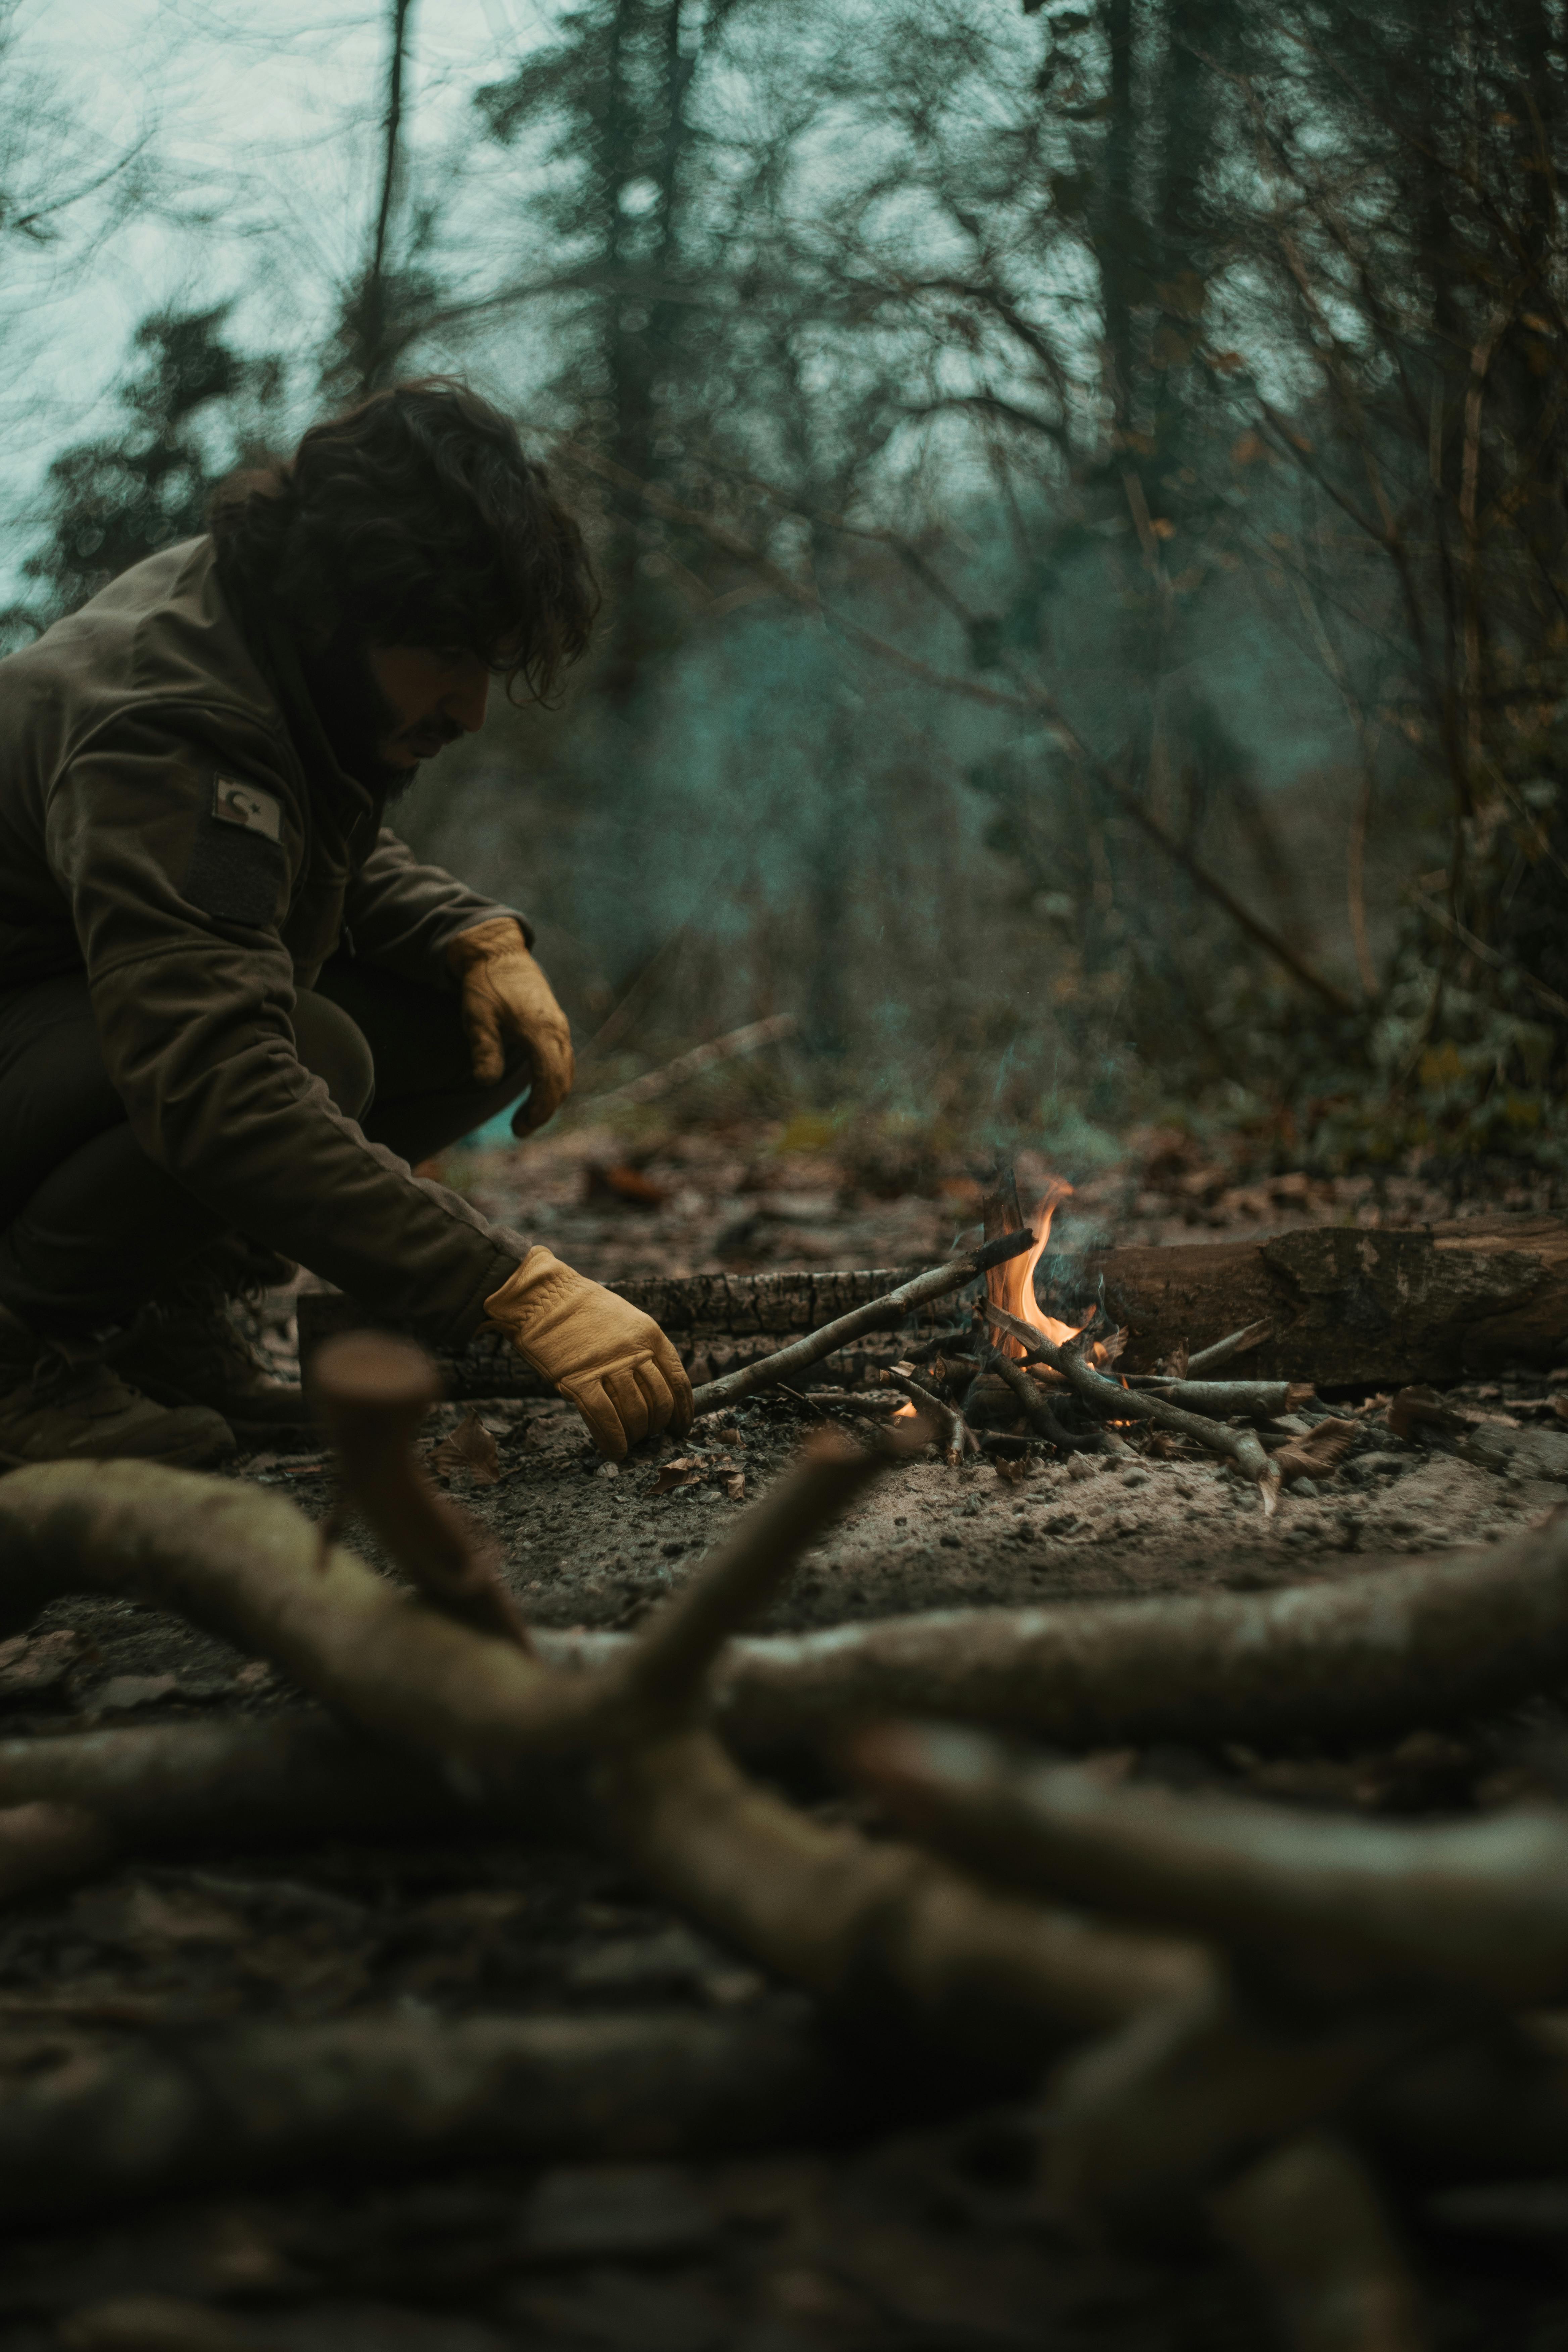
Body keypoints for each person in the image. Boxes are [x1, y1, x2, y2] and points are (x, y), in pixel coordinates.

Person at [0, 378, 691, 1466]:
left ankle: (160, 1329)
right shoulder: (170, 722)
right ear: (345, 606)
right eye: (451, 660)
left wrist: (471, 935)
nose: (470, 710)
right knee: (296, 1053)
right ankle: (17, 1359)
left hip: (48, 1021)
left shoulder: (276, 632)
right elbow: (216, 1087)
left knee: (461, 1016)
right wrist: (510, 1287)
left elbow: (265, 849)